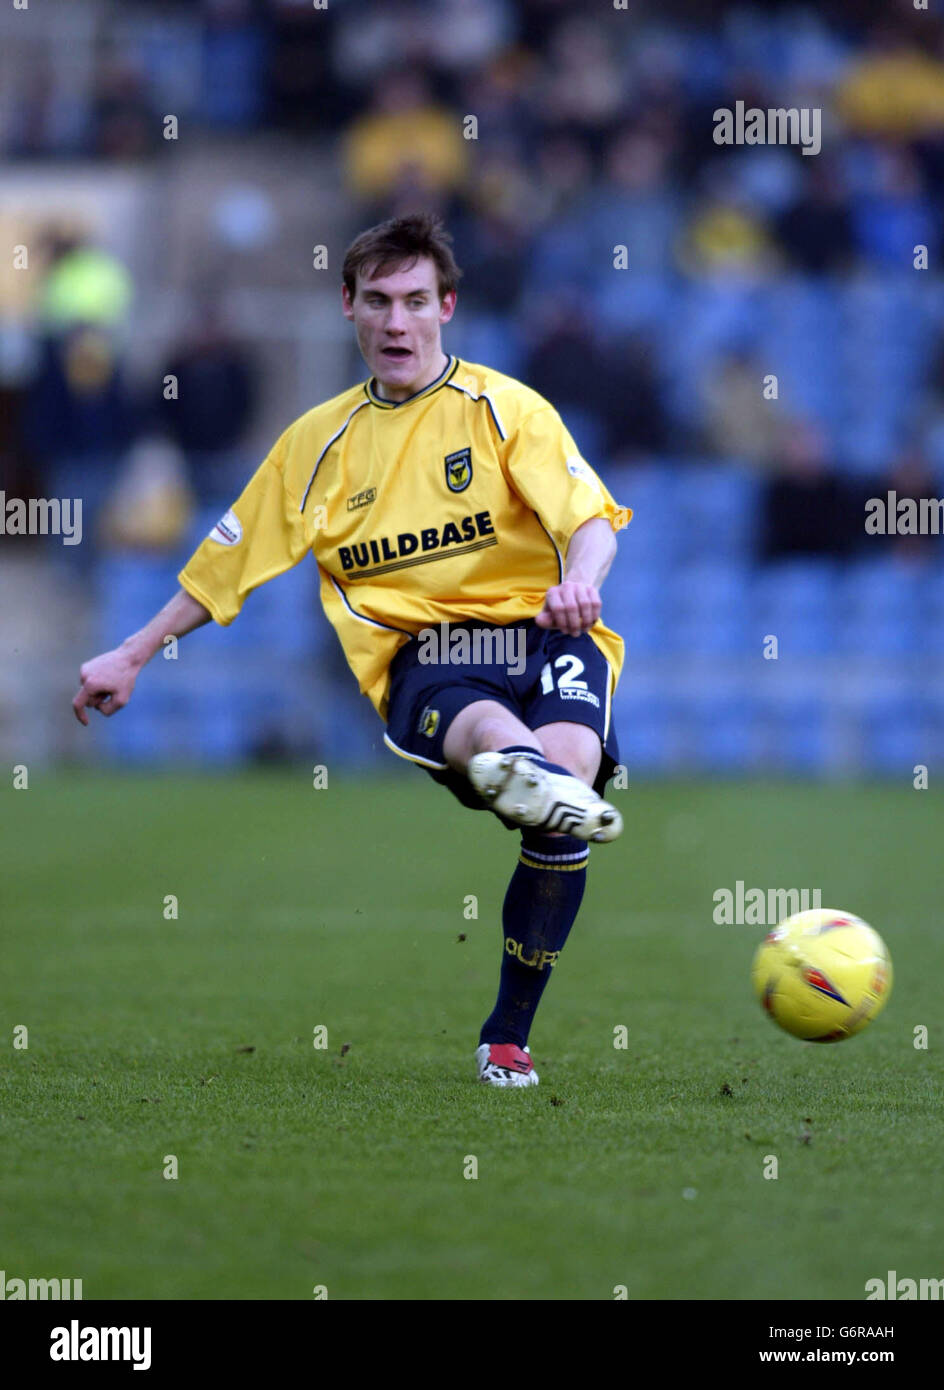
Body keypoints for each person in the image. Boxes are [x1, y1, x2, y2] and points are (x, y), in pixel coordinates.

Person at [72, 214, 631, 1088]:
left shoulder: (506, 409)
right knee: (501, 739)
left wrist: (581, 583)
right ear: (348, 308)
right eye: (378, 301)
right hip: (427, 655)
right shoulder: (316, 444)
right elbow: (226, 569)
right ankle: (526, 775)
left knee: (566, 787)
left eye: (415, 301)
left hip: (547, 630)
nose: (397, 323)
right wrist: (132, 654)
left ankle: (507, 1032)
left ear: (447, 306)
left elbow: (591, 521)